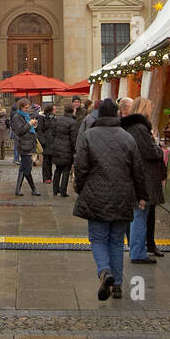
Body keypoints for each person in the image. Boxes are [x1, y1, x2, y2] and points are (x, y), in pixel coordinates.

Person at [73, 97, 145, 301]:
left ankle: (105, 272)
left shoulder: (88, 136)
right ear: (117, 114)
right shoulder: (127, 137)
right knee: (116, 241)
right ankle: (118, 285)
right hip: (122, 196)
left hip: (96, 195)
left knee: (97, 238)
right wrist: (141, 195)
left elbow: (81, 167)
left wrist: (80, 188)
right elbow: (137, 170)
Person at [122, 95, 168, 264]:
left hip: (135, 174)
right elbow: (149, 151)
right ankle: (138, 252)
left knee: (137, 214)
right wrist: (159, 150)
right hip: (144, 176)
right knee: (140, 214)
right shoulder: (140, 128)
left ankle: (137, 248)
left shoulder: (130, 127)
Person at [48, 101, 79, 197]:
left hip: (57, 148)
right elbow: (74, 139)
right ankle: (63, 191)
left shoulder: (58, 120)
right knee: (66, 170)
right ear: (72, 110)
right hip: (67, 149)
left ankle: (55, 189)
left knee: (58, 169)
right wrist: (75, 150)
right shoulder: (73, 122)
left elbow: (52, 134)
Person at [15, 109, 38, 196]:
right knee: (27, 169)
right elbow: (20, 131)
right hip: (24, 146)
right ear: (22, 107)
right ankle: (33, 189)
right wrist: (29, 124)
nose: (28, 109)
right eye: (26, 107)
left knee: (23, 168)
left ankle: (18, 189)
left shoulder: (26, 116)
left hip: (29, 144)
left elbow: (30, 130)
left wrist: (34, 125)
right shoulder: (17, 117)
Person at [37, 103, 56, 184]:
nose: (56, 110)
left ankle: (50, 176)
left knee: (51, 160)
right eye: (54, 109)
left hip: (52, 142)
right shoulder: (42, 117)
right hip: (46, 142)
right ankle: (46, 177)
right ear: (50, 109)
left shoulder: (54, 118)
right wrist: (43, 141)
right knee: (46, 160)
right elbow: (40, 130)